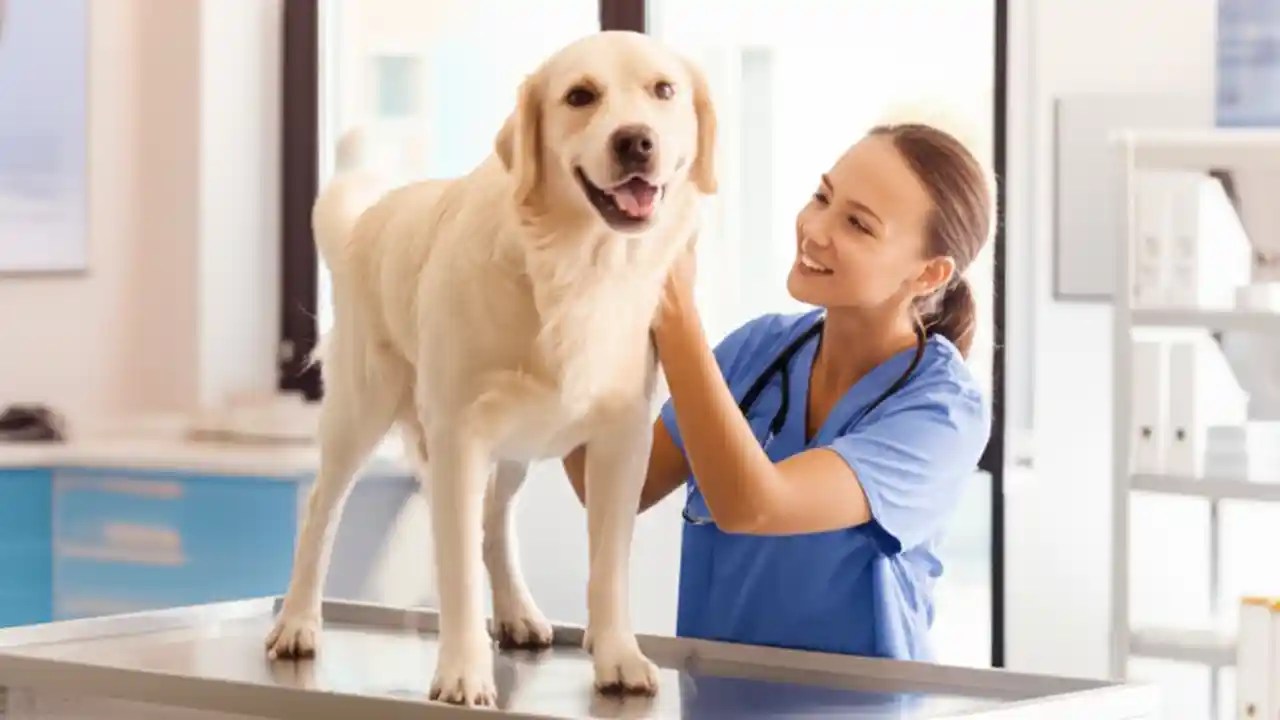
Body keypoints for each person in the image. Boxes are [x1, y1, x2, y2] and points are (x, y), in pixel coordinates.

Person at [564, 122, 993, 662]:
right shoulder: (759, 348)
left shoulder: (942, 412)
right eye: (822, 197)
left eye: (858, 225)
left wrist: (675, 314)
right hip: (717, 701)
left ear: (929, 273)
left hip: (861, 712)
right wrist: (560, 332)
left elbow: (754, 507)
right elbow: (610, 486)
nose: (815, 230)